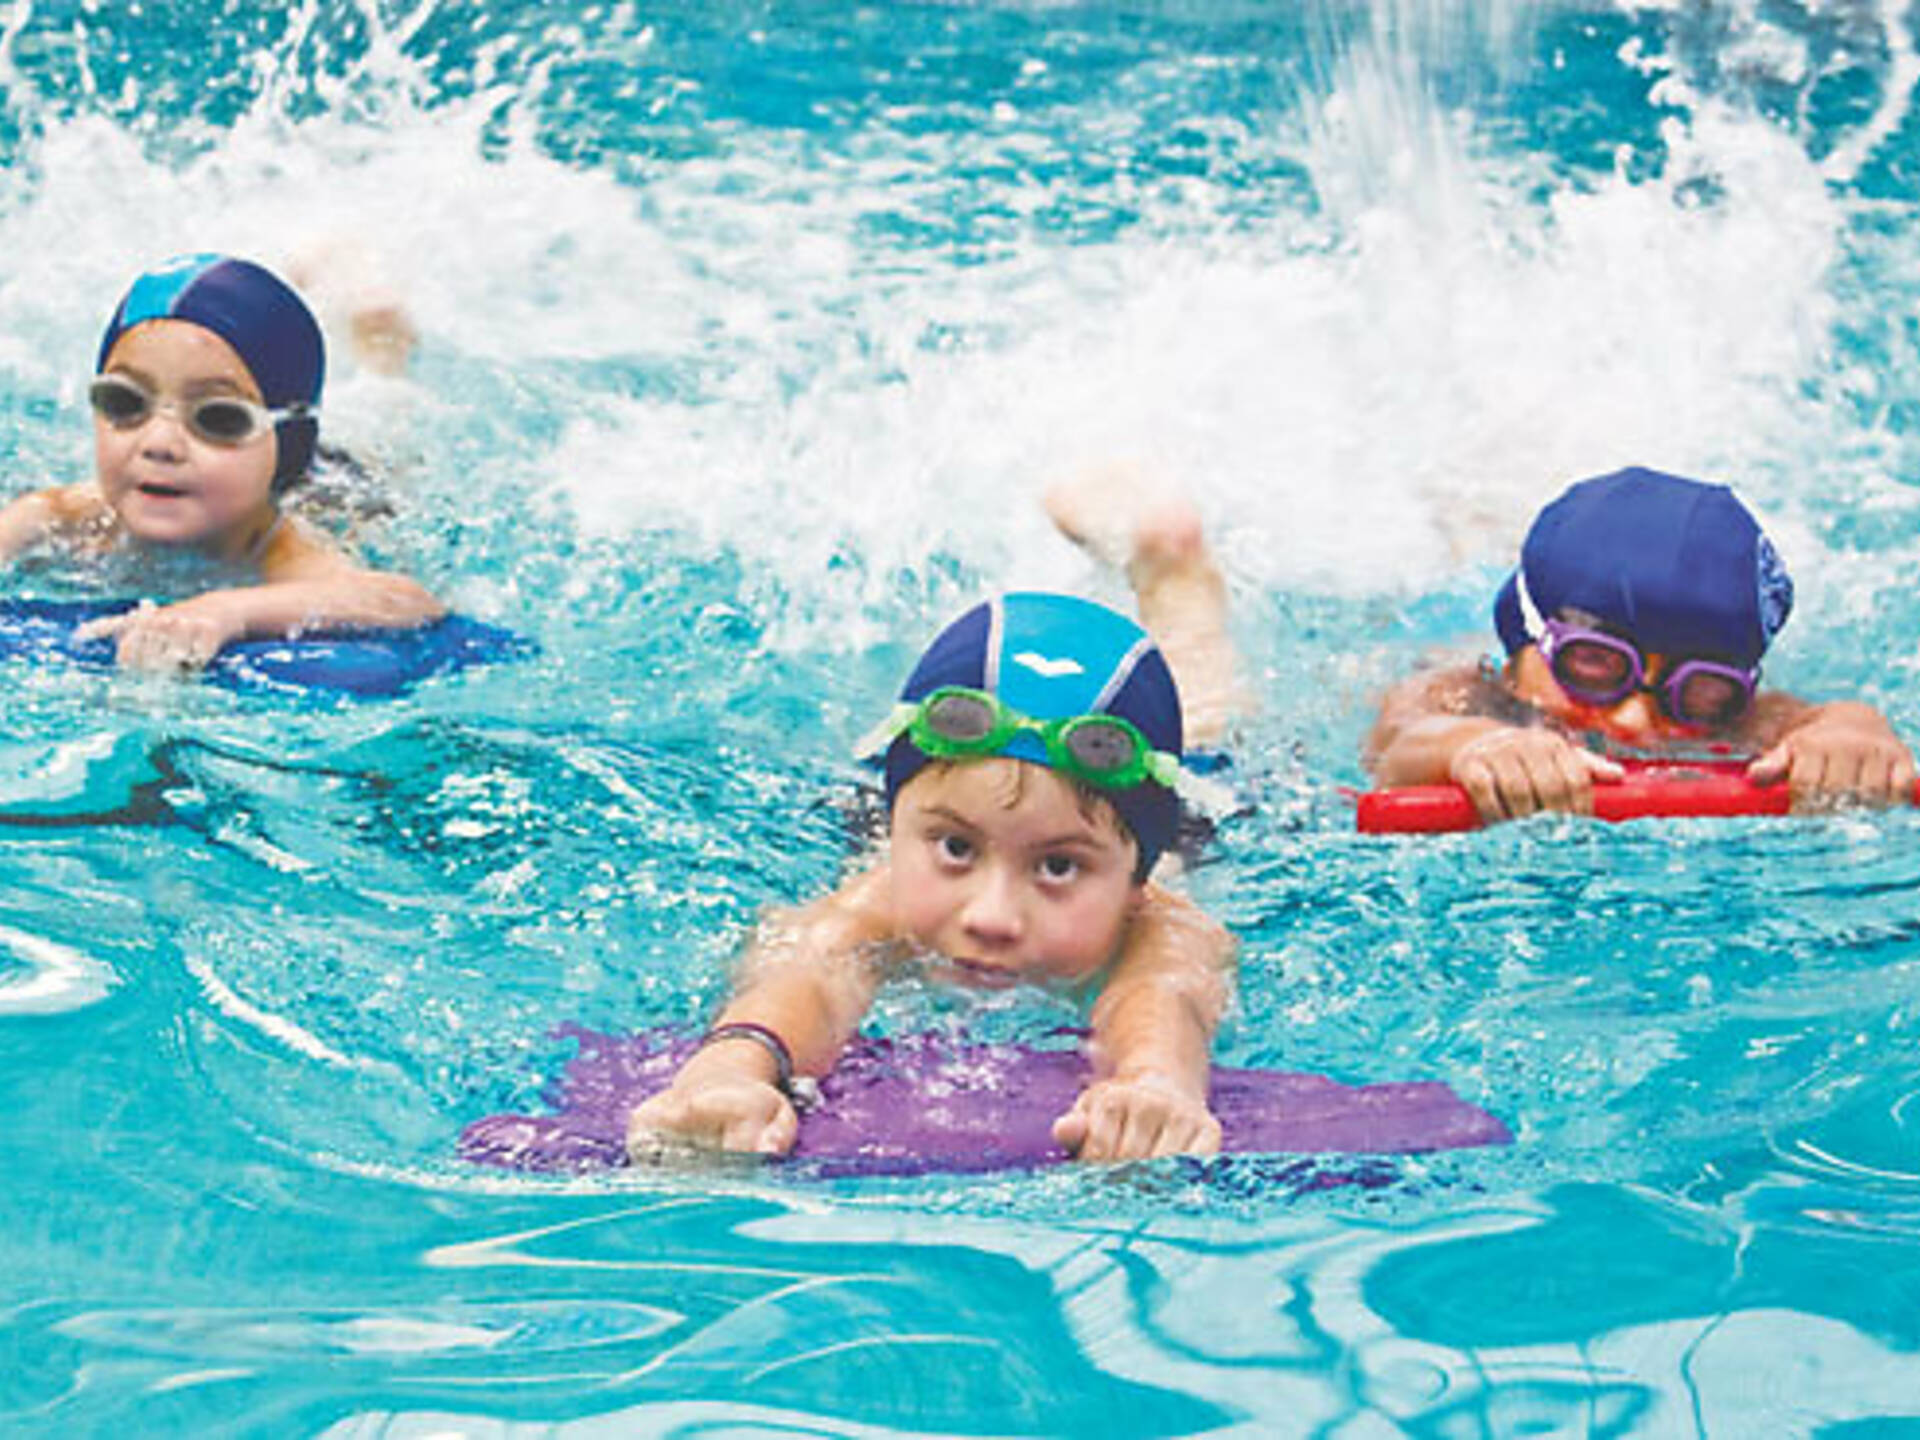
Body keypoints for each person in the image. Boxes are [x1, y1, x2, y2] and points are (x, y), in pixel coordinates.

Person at [627, 590, 1237, 1163]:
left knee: (1209, 726)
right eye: (955, 847)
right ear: (894, 834)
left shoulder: (1168, 929)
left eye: (1058, 866)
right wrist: (729, 1069)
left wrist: (1154, 1085)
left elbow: (1166, 1000)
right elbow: (807, 973)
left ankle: (1179, 581)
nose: (991, 916)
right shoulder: (874, 903)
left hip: (1199, 814)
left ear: (1135, 883)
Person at [1366, 465, 1915, 822]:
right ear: (1524, 644)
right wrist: (1477, 746)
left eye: (1699, 689)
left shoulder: (1743, 722)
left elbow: (1829, 720)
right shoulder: (1465, 691)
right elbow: (1404, 739)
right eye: (1595, 663)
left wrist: (1853, 734)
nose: (1633, 720)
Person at [0, 253, 443, 672]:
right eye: (124, 401)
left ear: (286, 442)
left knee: (386, 432)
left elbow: (405, 600)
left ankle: (384, 350)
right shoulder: (64, 516)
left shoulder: (286, 551)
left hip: (339, 482)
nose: (158, 443)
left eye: (219, 418)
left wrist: (227, 610)